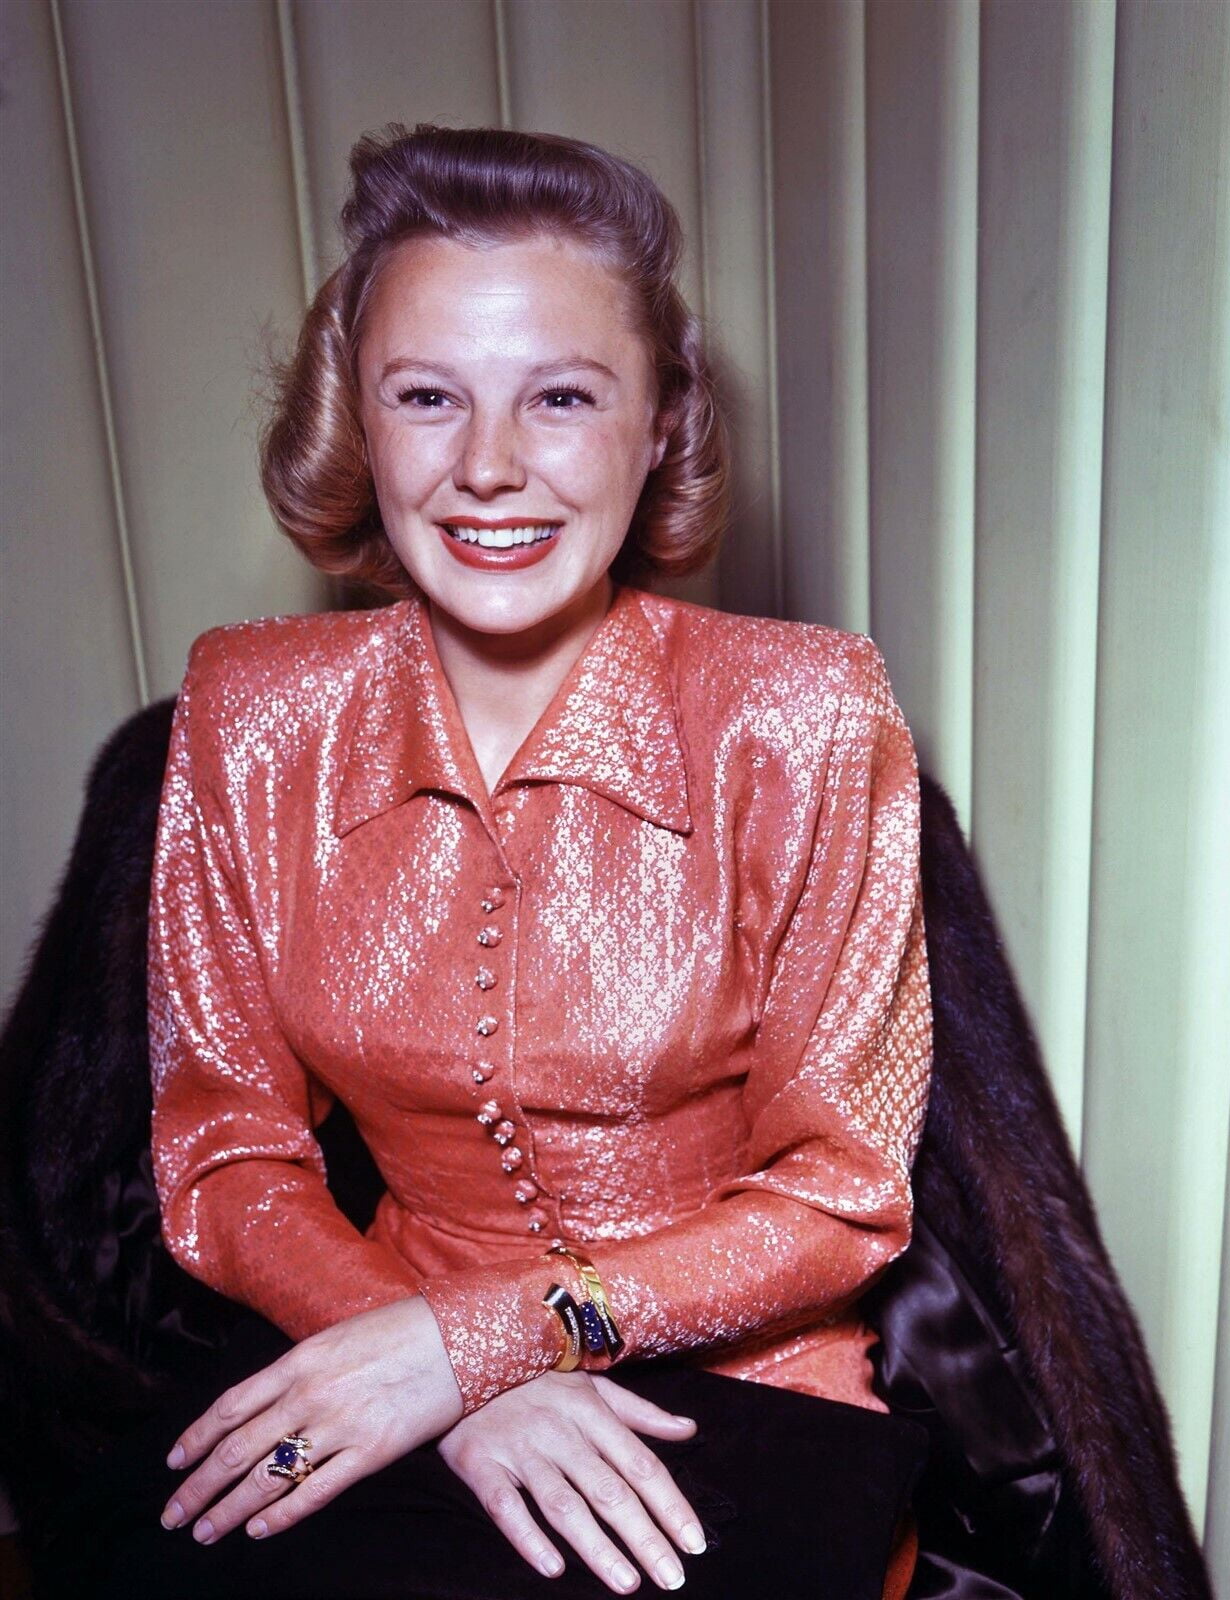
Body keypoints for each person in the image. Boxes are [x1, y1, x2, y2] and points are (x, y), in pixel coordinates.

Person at [39, 124, 933, 1599]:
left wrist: (496, 1343)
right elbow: (227, 1150)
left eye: (563, 397)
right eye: (428, 397)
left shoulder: (808, 710)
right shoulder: (249, 711)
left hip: (738, 1382)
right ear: (359, 424)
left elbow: (842, 1190)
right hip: (376, 1338)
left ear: (658, 428)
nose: (488, 468)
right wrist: (444, 1368)